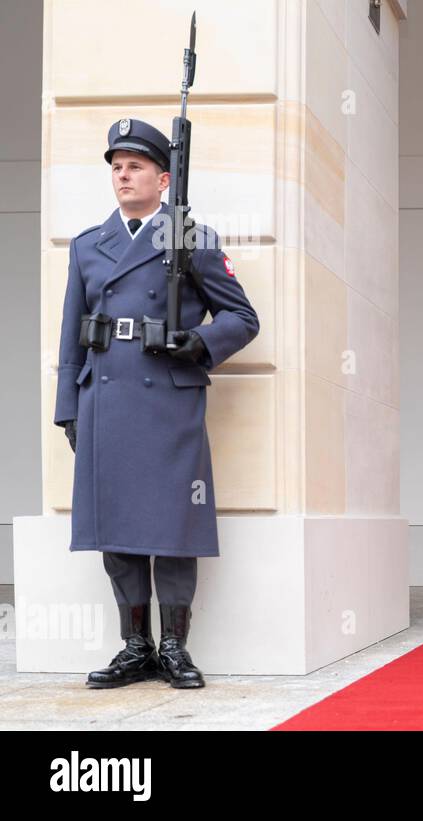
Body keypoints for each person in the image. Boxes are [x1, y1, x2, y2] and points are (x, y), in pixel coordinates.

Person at [54, 118, 260, 689]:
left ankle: (174, 648)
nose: (124, 176)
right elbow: (71, 332)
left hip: (167, 401)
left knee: (172, 525)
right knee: (116, 528)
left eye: (136, 166)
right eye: (116, 167)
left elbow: (243, 319)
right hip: (107, 400)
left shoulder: (189, 237)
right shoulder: (88, 245)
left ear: (164, 179)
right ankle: (134, 646)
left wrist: (199, 342)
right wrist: (68, 404)